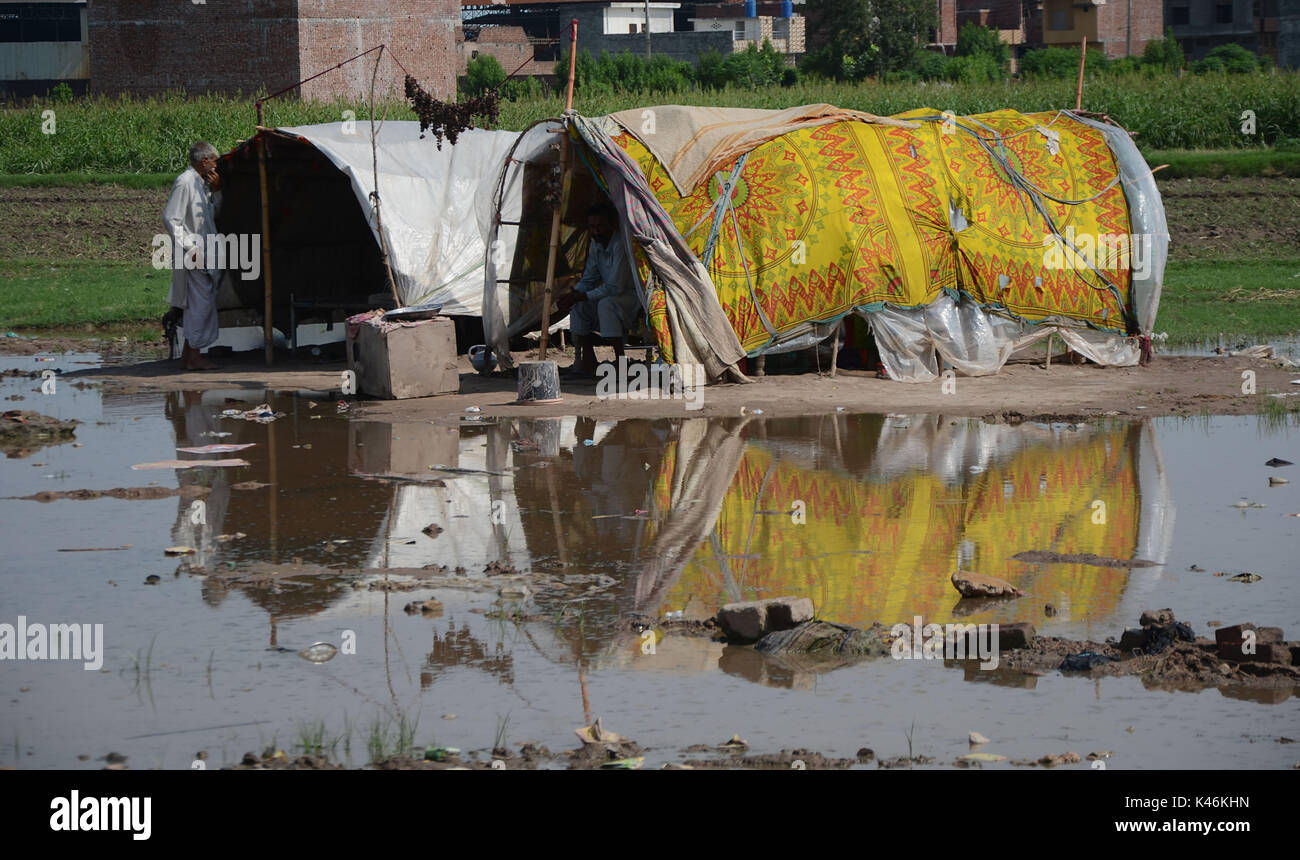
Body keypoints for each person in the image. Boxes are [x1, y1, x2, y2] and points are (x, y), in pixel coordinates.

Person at [555, 203, 641, 377]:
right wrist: (573, 296)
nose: (596, 231)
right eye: (593, 227)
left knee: (606, 304)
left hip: (632, 297)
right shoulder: (596, 244)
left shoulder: (620, 245)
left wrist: (581, 296)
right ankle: (586, 360)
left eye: (601, 226)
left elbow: (615, 287)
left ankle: (620, 361)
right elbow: (589, 278)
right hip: (612, 295)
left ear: (611, 225)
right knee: (579, 306)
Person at [164, 141, 223, 370]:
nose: (215, 166)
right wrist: (191, 248)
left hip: (204, 252)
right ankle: (194, 356)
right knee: (201, 305)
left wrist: (216, 191)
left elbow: (211, 214)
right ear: (204, 161)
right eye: (214, 161)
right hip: (195, 254)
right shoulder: (185, 182)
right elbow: (171, 219)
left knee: (201, 304)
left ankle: (190, 356)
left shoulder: (201, 184)